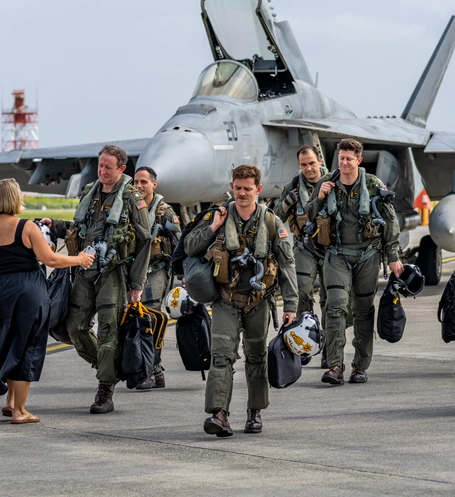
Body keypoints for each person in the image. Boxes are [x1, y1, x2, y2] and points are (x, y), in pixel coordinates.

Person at [183, 164, 298, 437]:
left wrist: (291, 307)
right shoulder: (218, 217)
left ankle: (254, 412)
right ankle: (219, 413)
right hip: (225, 300)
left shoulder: (272, 223)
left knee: (256, 357)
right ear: (231, 187)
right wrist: (213, 226)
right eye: (238, 188)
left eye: (248, 188)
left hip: (259, 302)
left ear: (258, 189)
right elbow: (189, 246)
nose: (243, 193)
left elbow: (287, 265)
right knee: (221, 356)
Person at [0, 178, 95, 424]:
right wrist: (79, 260)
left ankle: (9, 402)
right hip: (27, 290)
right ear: (15, 199)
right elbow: (51, 259)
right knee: (28, 345)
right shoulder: (27, 228)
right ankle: (20, 411)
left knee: (4, 339)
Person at [61, 145, 153, 414]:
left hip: (112, 274)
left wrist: (137, 285)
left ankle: (105, 391)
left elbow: (145, 240)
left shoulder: (131, 197)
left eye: (108, 167)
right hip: (84, 270)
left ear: (122, 169)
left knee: (107, 332)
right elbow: (78, 228)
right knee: (74, 327)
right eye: (100, 165)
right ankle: (108, 369)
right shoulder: (91, 192)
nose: (102, 170)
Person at [307, 138, 403, 386]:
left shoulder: (373, 185)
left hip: (367, 256)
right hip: (336, 254)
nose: (345, 162)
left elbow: (391, 222)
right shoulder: (326, 182)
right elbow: (309, 213)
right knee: (335, 307)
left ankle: (360, 366)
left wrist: (393, 256)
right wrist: (319, 197)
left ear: (359, 160)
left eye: (349, 158)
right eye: (341, 158)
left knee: (363, 311)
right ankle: (335, 366)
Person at [274, 145, 329, 367]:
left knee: (331, 303)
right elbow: (276, 216)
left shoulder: (333, 181)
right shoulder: (294, 186)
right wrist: (288, 201)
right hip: (304, 247)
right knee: (302, 296)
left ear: (319, 161)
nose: (308, 168)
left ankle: (330, 353)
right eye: (304, 165)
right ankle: (304, 344)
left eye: (312, 163)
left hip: (331, 249)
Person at [132, 166, 182, 390]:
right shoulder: (130, 207)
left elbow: (180, 243)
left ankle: (150, 370)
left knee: (151, 321)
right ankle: (156, 371)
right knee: (135, 321)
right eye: (136, 182)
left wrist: (183, 274)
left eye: (144, 182)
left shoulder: (165, 212)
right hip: (133, 273)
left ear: (154, 184)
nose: (140, 186)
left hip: (156, 270)